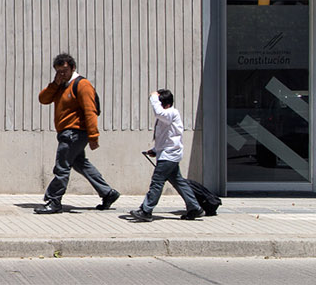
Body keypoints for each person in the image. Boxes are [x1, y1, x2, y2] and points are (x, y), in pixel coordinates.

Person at [34, 51, 119, 214]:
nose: (61, 74)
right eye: (58, 71)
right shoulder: (60, 85)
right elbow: (43, 99)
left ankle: (54, 200)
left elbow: (90, 111)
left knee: (62, 166)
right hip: (67, 132)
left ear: (73, 68)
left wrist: (94, 136)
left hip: (74, 133)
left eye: (64, 70)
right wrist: (54, 84)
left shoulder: (82, 85)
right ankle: (108, 193)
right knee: (81, 164)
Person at [127, 88, 202, 222]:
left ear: (166, 104)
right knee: (179, 182)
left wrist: (154, 98)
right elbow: (166, 137)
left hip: (169, 155)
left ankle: (146, 210)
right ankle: (194, 207)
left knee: (157, 182)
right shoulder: (167, 115)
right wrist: (155, 150)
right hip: (168, 154)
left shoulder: (171, 113)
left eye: (159, 103)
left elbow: (159, 113)